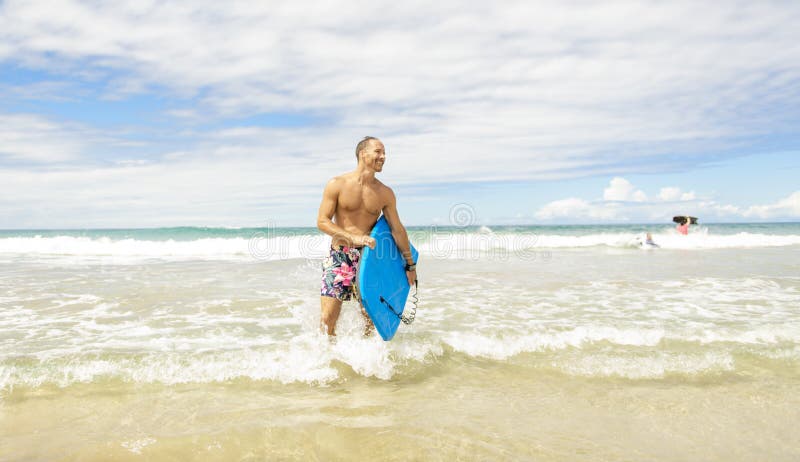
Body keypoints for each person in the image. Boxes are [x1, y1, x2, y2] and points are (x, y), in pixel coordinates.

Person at [316, 136, 417, 336]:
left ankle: (366, 362)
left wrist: (410, 264)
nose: (383, 157)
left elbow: (397, 229)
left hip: (370, 259)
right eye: (378, 151)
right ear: (363, 154)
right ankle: (328, 360)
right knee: (328, 320)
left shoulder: (385, 193)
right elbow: (322, 221)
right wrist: (353, 238)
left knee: (372, 320)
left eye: (384, 152)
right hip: (341, 256)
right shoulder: (337, 184)